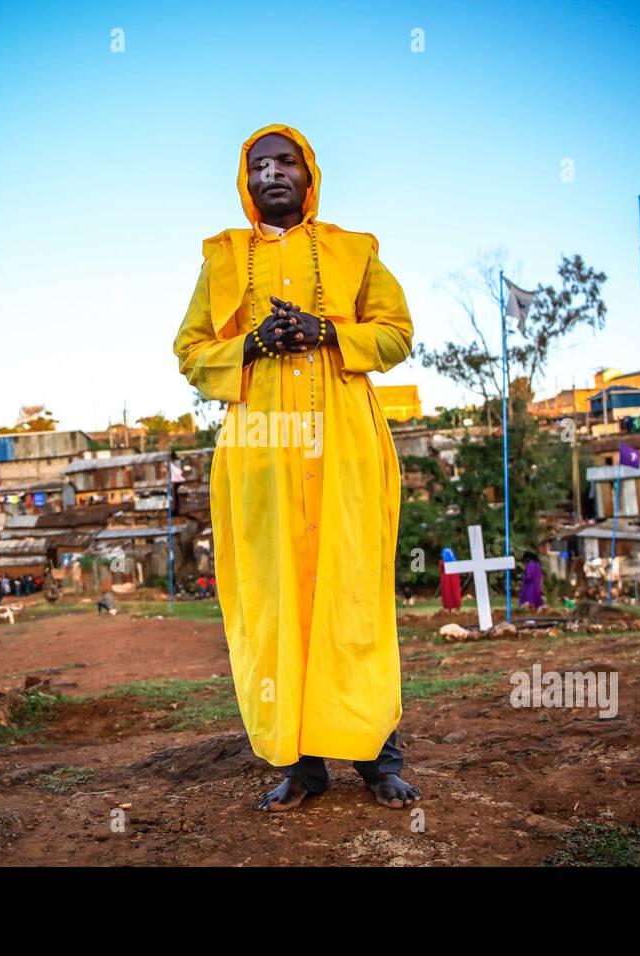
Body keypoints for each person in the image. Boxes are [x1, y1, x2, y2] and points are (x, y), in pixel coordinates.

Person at [173, 124, 418, 812]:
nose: (271, 174)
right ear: (244, 181)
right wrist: (249, 344)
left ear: (309, 176)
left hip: (343, 446)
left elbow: (398, 332)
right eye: (258, 166)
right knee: (276, 602)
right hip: (262, 455)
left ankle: (380, 761)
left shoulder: (353, 250)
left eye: (285, 163)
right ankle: (302, 769)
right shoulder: (223, 260)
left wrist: (328, 331)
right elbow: (191, 352)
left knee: (353, 597)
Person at [439, 546, 462, 611]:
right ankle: (456, 606)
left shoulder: (442, 562)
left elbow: (441, 570)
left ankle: (449, 607)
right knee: (454, 592)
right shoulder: (454, 561)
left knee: (447, 592)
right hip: (454, 578)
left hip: (446, 578)